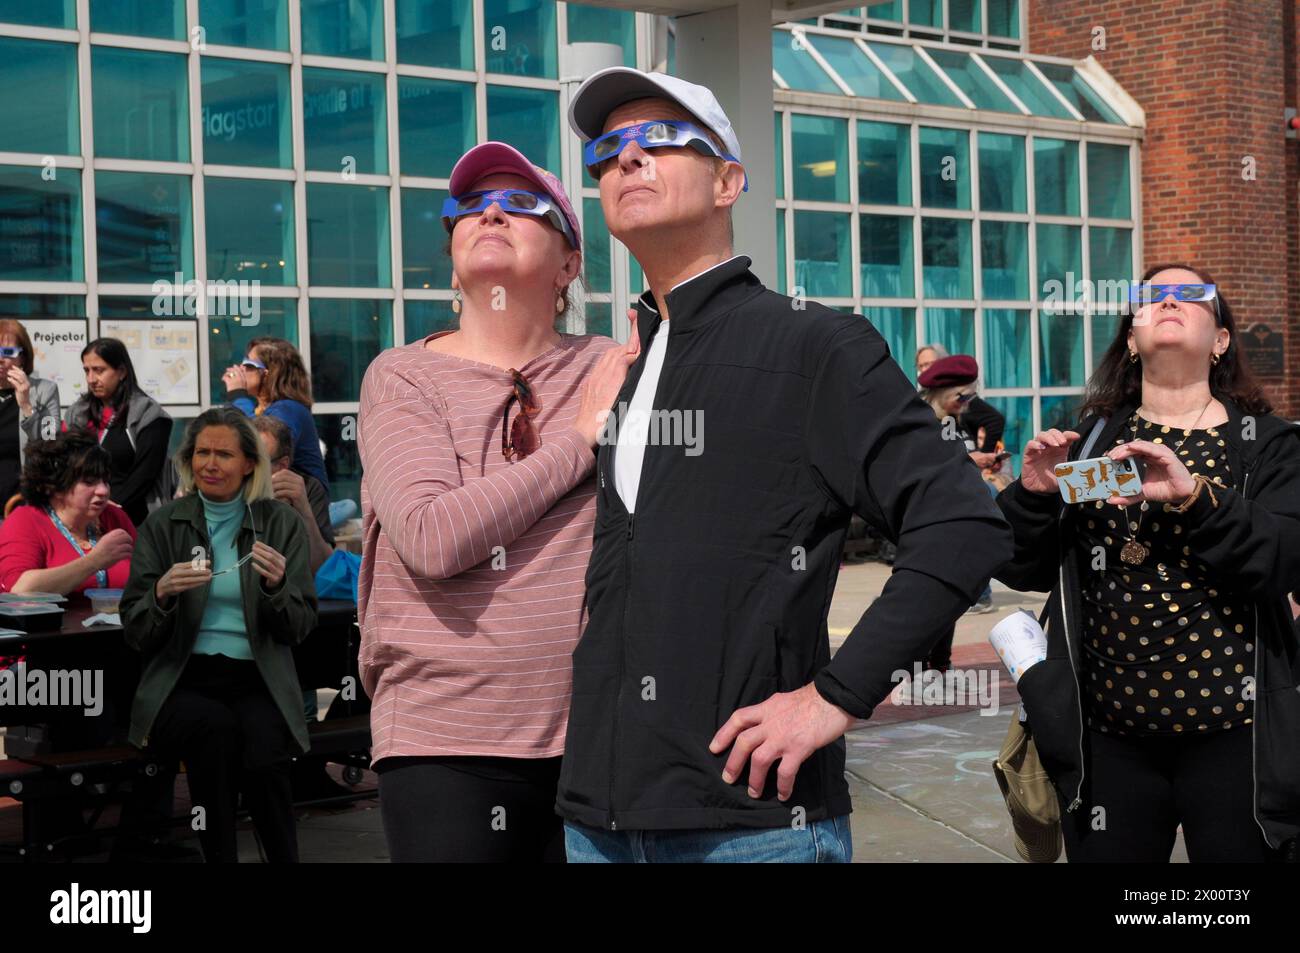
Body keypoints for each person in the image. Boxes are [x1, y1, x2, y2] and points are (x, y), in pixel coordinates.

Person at [556, 68, 1012, 862]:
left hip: (751, 823)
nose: (628, 159)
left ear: (729, 180)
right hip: (599, 817)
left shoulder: (815, 345)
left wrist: (837, 696)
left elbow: (963, 523)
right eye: (608, 150)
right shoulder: (627, 364)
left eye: (661, 139)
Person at [357, 141, 635, 862]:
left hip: (600, 735)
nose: (491, 213)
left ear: (570, 262)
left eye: (522, 205)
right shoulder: (403, 376)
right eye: (471, 207)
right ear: (450, 254)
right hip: (444, 739)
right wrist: (578, 442)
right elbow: (432, 535)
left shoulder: (613, 367)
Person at [996, 263, 1300, 861]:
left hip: (1238, 739)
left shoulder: (1265, 444)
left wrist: (1194, 498)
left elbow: (1283, 559)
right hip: (1109, 745)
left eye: (1191, 295)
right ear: (1132, 340)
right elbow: (1025, 569)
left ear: (1220, 341)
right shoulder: (1092, 444)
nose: (1168, 302)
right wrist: (1032, 496)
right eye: (1151, 298)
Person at [120, 407, 317, 863]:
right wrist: (162, 594)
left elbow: (300, 625)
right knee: (216, 738)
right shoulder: (163, 524)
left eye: (224, 454)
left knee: (267, 758)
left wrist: (274, 588)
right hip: (182, 677)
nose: (210, 464)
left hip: (257, 676)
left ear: (250, 463)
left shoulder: (279, 523)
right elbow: (136, 628)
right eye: (202, 452)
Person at [918, 353, 1003, 616]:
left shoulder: (951, 417)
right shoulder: (921, 419)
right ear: (944, 393)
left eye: (970, 397)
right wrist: (968, 460)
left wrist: (978, 459)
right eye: (962, 397)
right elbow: (924, 464)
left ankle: (977, 594)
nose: (967, 405)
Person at [0, 430, 135, 596]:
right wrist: (95, 561)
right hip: (55, 622)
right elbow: (19, 588)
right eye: (89, 482)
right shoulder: (25, 520)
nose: (103, 490)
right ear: (56, 487)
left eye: (105, 481)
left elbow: (145, 574)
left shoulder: (114, 517)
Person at [66, 338, 174, 528]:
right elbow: (67, 463)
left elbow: (145, 475)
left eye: (99, 370)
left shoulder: (149, 415)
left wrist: (109, 506)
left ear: (122, 372)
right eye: (86, 370)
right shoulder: (77, 412)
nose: (91, 379)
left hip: (137, 519)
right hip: (84, 518)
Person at [222, 338, 329, 491]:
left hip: (304, 505)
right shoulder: (266, 409)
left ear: (269, 373)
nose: (241, 369)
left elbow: (261, 443)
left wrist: (237, 396)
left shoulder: (289, 409)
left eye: (249, 364)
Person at [252, 415, 334, 574]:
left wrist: (304, 511)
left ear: (282, 465)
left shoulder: (306, 488)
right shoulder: (231, 485)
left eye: (258, 462)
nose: (246, 469)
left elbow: (322, 568)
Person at [1, 319, 62, 508]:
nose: (0, 359)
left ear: (23, 358)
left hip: (22, 502)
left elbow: (50, 442)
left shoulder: (45, 390)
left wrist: (27, 405)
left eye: (8, 352)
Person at [916, 342, 1004, 454]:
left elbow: (995, 420)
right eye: (921, 365)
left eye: (969, 397)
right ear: (944, 396)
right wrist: (975, 461)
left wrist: (986, 458)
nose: (966, 403)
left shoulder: (959, 415)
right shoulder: (925, 421)